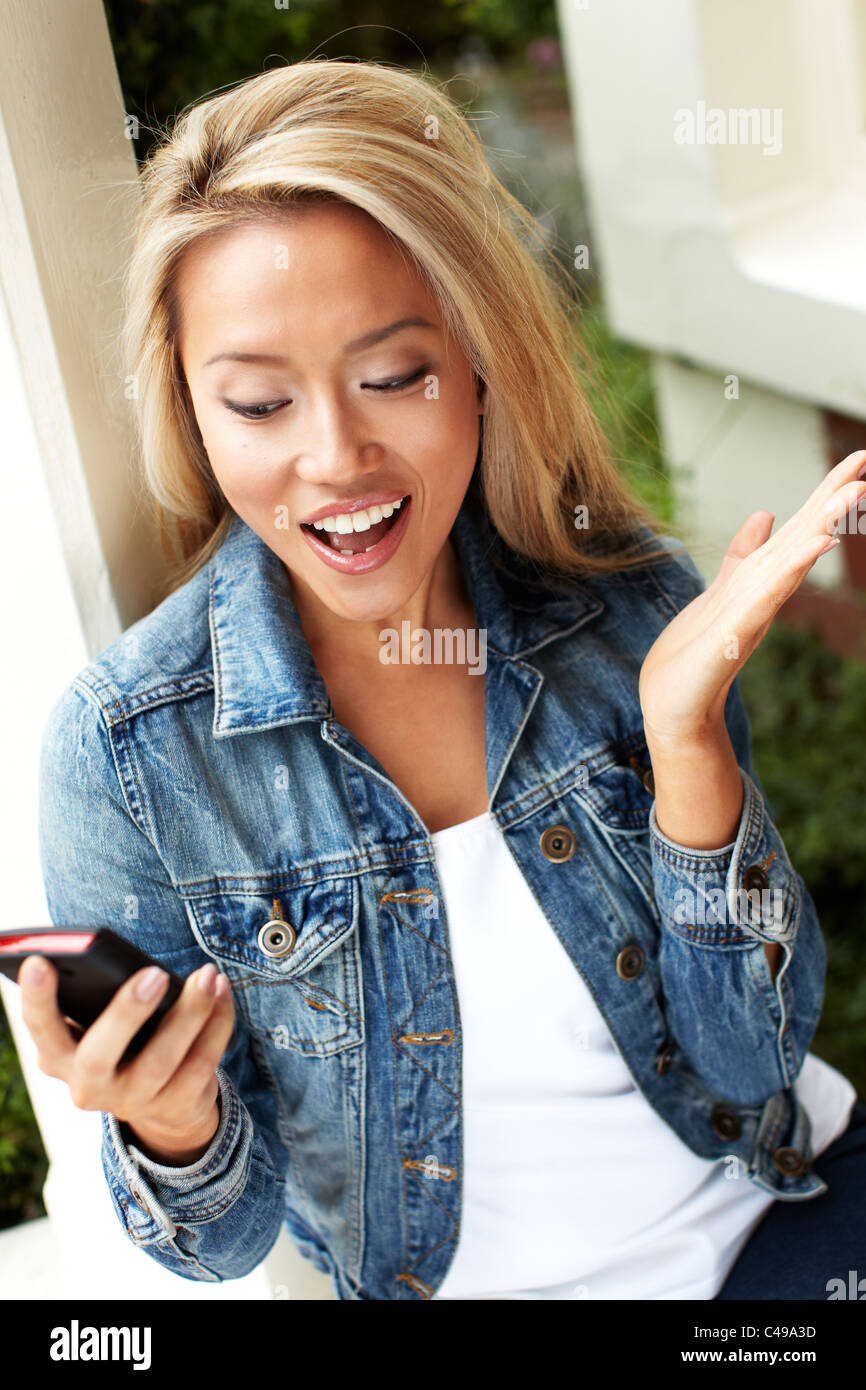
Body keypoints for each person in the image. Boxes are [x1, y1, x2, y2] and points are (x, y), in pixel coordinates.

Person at [22, 59, 864, 1300]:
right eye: (256, 402)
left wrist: (688, 748)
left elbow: (754, 1062)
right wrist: (171, 1127)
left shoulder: (626, 608)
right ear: (194, 414)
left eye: (394, 375)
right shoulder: (131, 754)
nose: (333, 457)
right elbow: (216, 1246)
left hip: (776, 1228)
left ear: (478, 360)